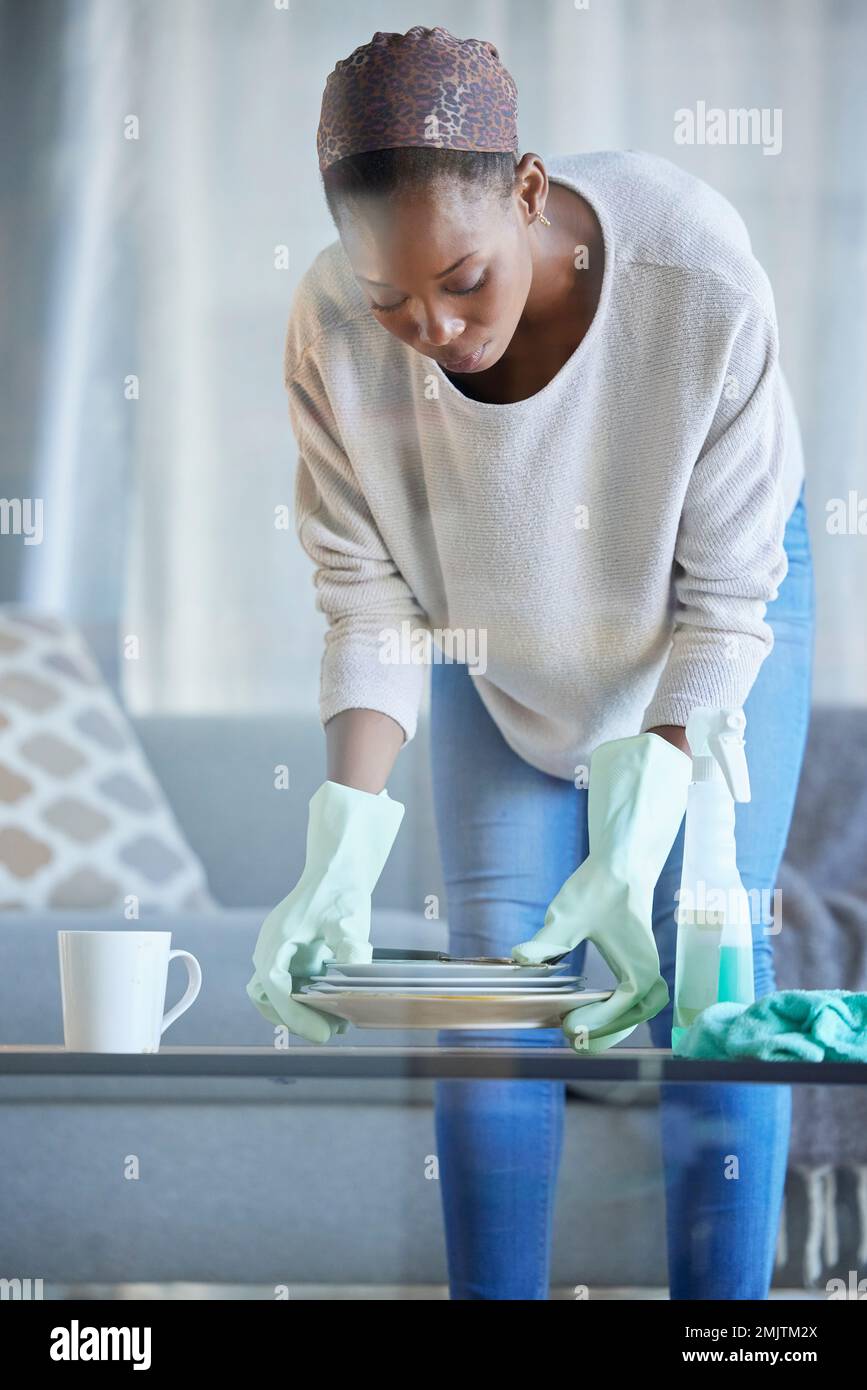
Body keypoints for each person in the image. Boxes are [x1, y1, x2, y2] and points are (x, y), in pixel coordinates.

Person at [247, 26, 814, 1299]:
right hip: (487, 629)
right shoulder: (333, 328)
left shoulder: (696, 276)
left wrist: (645, 819)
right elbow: (367, 593)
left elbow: (728, 602)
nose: (432, 328)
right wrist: (346, 824)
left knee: (712, 968)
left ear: (529, 190)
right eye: (391, 297)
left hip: (706, 611)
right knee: (493, 984)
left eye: (461, 279)